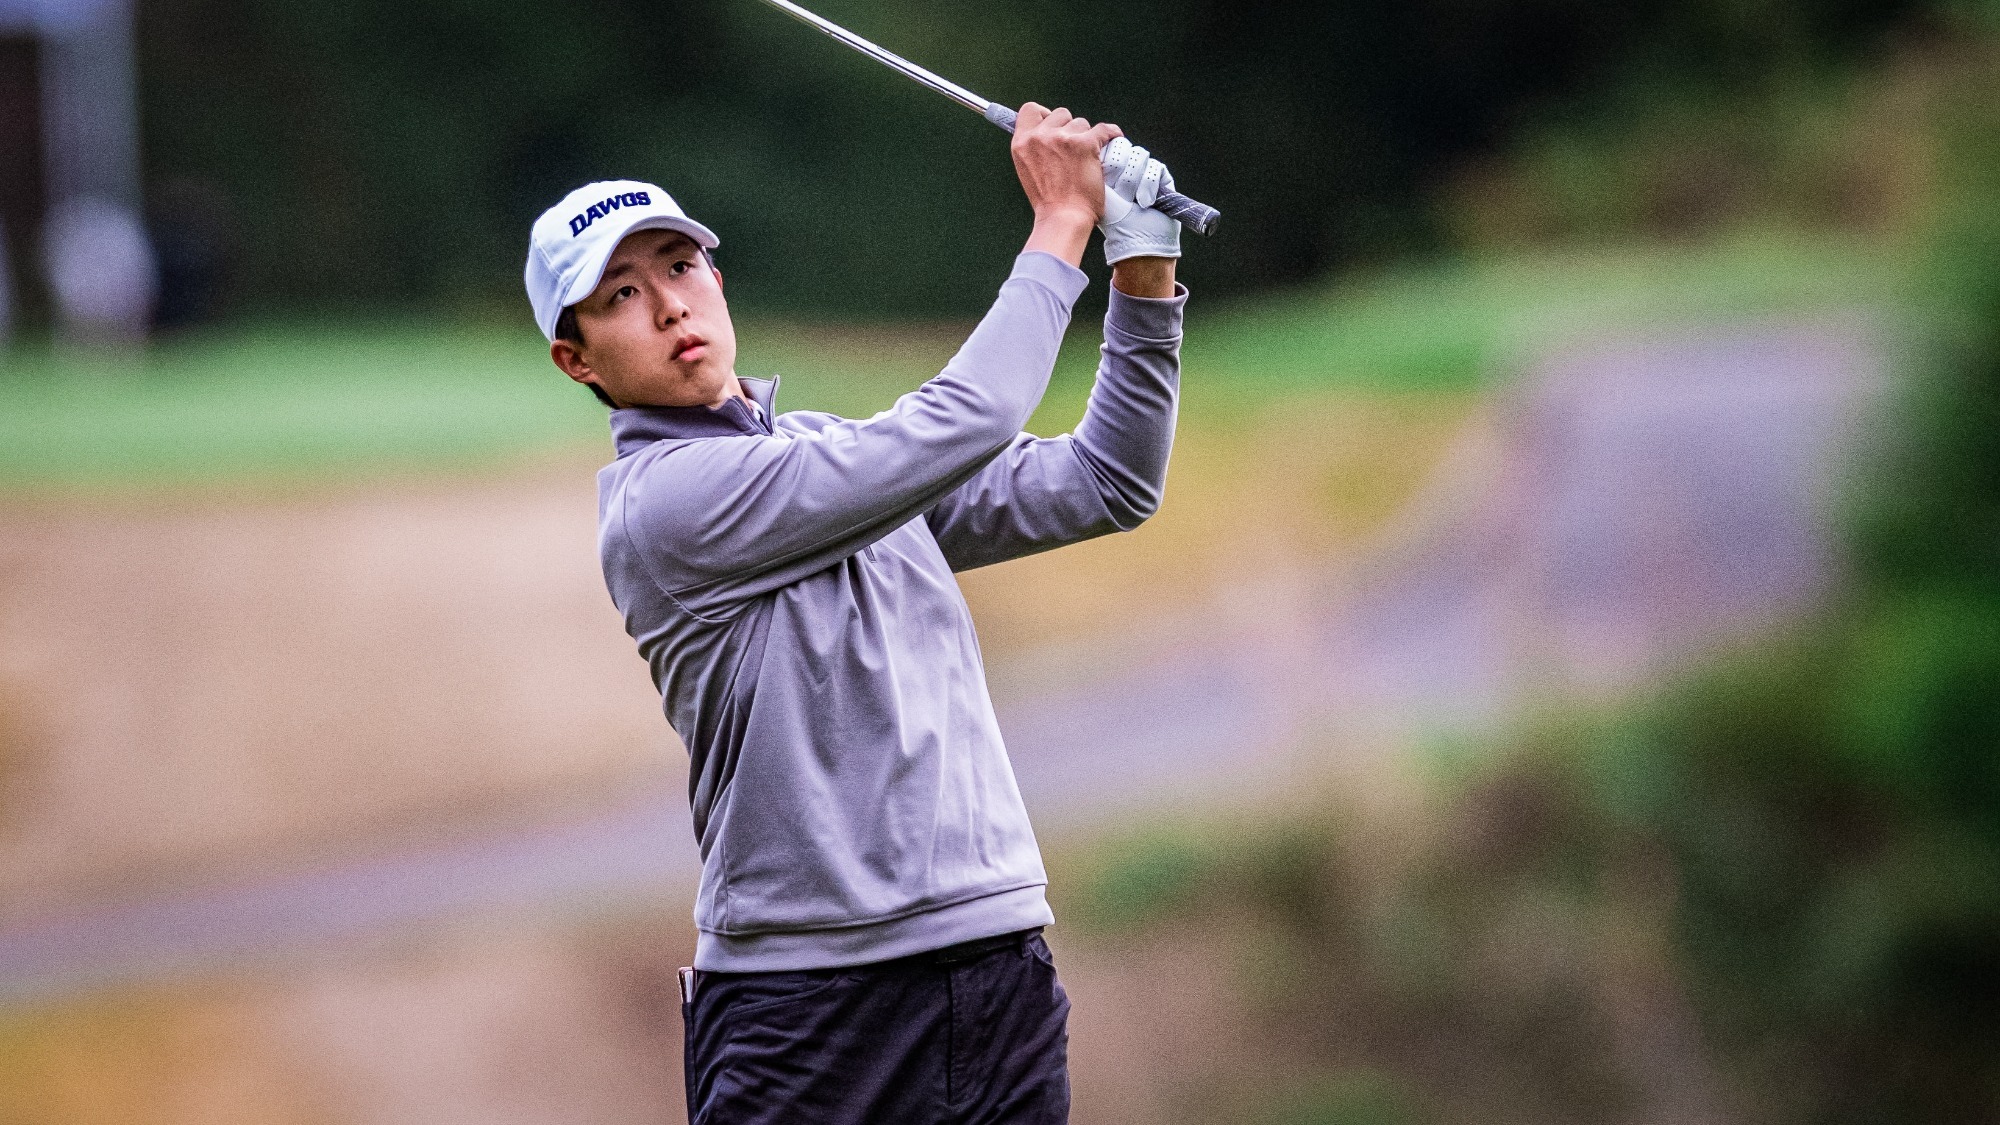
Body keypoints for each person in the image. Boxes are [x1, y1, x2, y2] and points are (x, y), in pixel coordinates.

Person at [523, 103, 1186, 1124]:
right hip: (811, 1011)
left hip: (993, 966)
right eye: (619, 294)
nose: (667, 306)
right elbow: (964, 420)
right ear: (578, 359)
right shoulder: (665, 507)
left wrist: (1140, 269)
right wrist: (1060, 224)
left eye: (678, 268)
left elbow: (1106, 482)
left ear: (716, 277)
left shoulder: (828, 456)